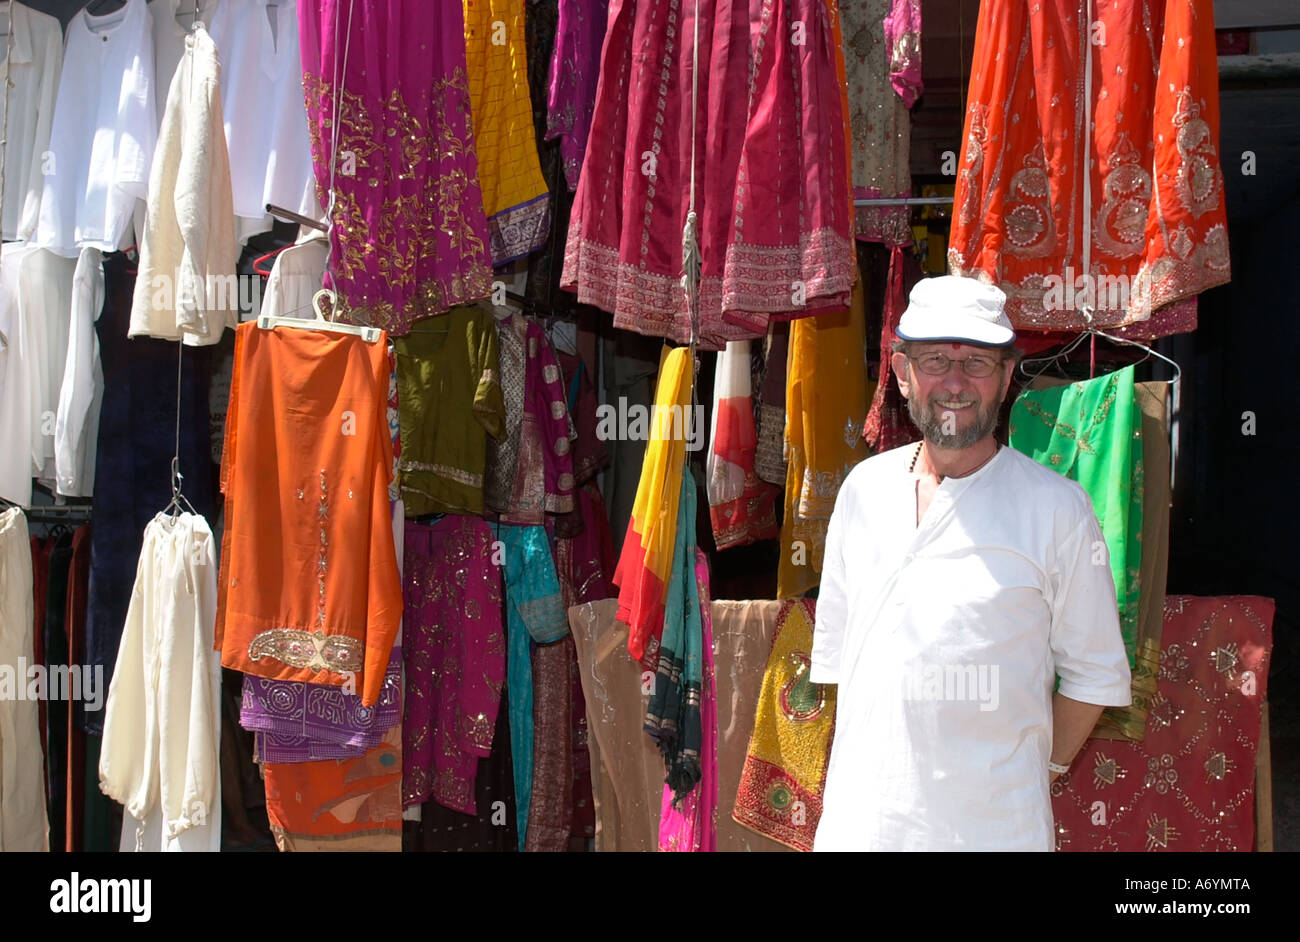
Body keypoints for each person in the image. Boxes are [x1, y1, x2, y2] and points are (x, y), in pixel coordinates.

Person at [811, 275, 1131, 851]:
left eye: (978, 363)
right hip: (863, 828)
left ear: (1007, 378)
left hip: (996, 831)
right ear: (902, 371)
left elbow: (1095, 675)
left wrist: (1037, 772)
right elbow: (839, 666)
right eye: (935, 359)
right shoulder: (863, 490)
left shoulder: (1057, 508)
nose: (954, 383)